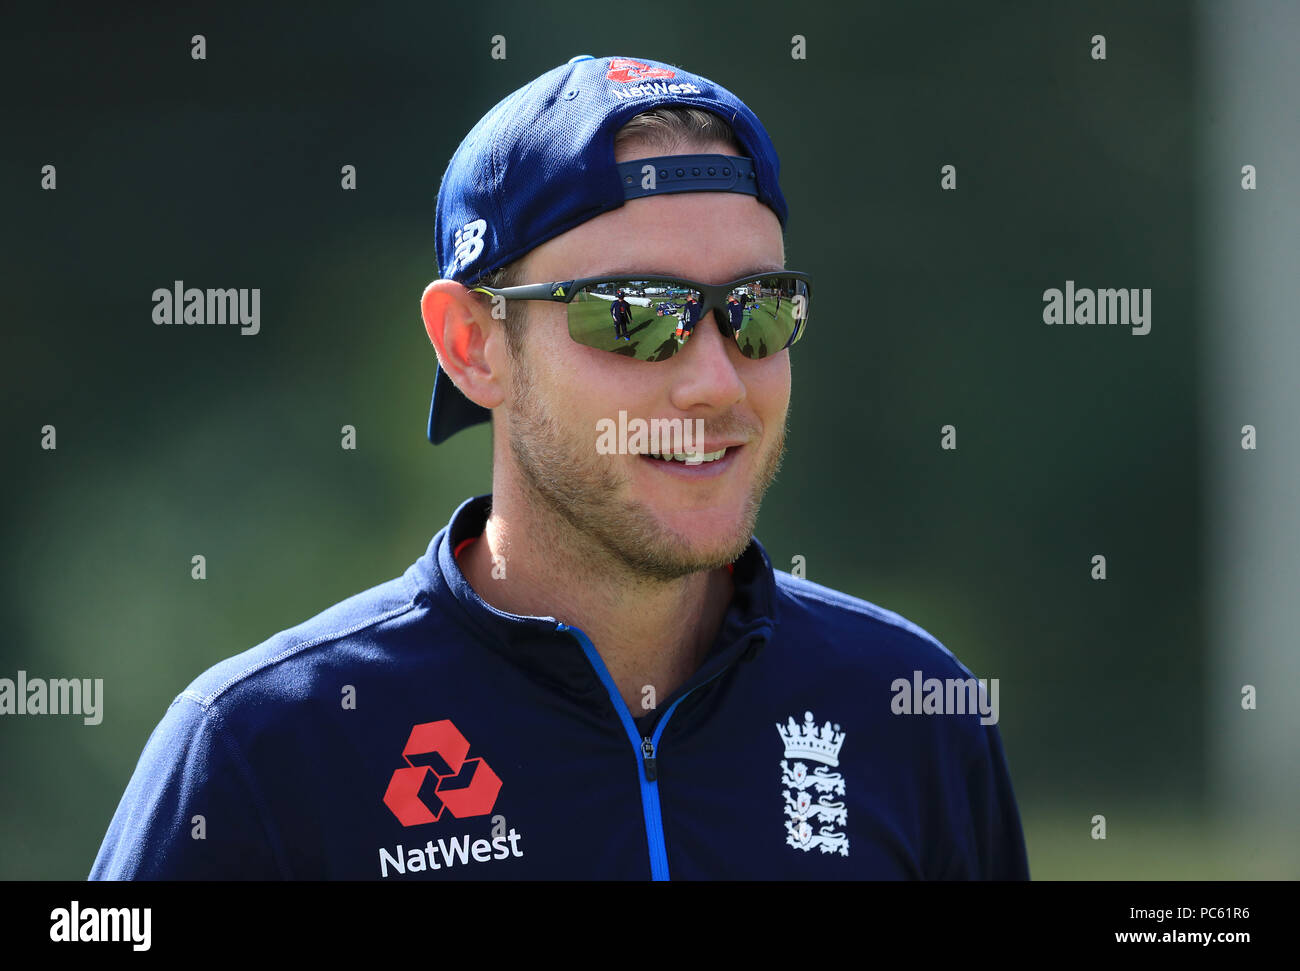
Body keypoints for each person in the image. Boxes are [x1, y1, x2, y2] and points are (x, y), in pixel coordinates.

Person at [88, 54, 1029, 880]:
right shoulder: (263, 750)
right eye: (632, 312)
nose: (713, 381)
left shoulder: (911, 713)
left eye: (758, 307)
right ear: (472, 345)